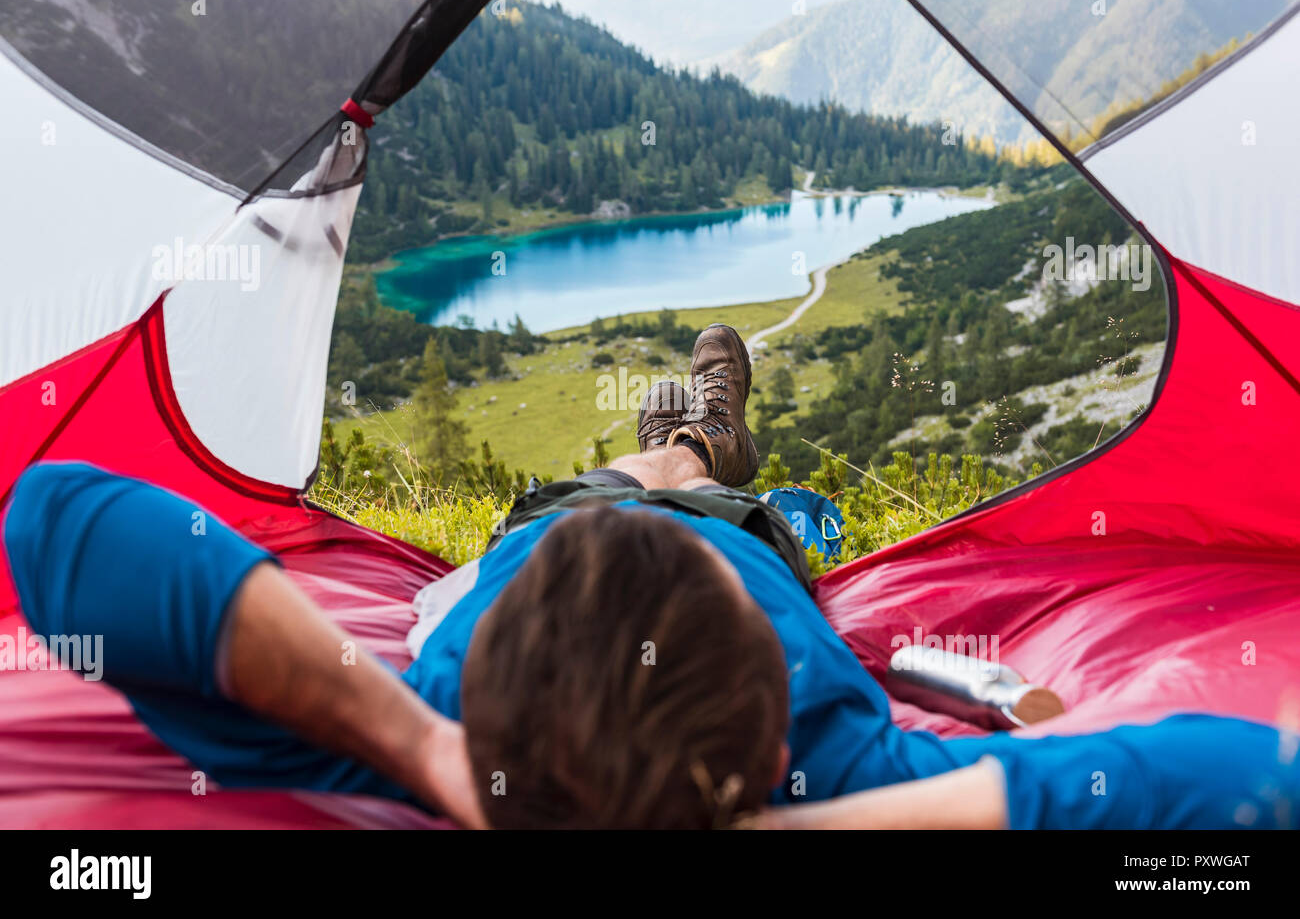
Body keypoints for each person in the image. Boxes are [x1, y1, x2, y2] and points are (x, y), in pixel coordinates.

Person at [4, 325, 1297, 829]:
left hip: (563, 537)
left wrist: (412, 741)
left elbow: (57, 520)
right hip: (727, 529)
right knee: (691, 487)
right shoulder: (837, 755)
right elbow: (1237, 793)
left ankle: (676, 440)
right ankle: (699, 440)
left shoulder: (467, 720)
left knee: (621, 485)